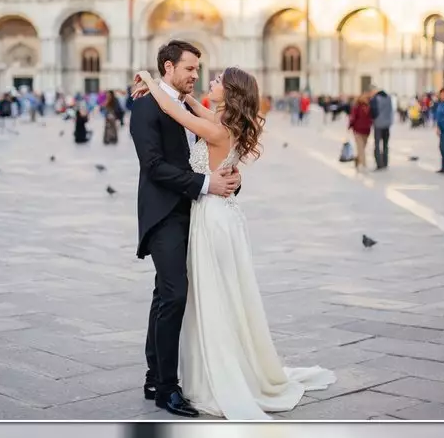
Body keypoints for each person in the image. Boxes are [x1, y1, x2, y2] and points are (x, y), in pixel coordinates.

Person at [131, 43, 335, 421]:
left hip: (206, 215)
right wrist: (213, 181)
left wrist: (151, 81)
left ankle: (170, 378)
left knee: (191, 295)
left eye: (206, 73)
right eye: (191, 69)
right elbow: (154, 165)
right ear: (169, 66)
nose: (198, 76)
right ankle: (160, 380)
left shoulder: (200, 115)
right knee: (173, 294)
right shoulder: (157, 106)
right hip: (173, 213)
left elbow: (188, 122)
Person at [369, 85, 393, 170]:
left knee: (377, 144)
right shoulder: (389, 98)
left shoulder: (375, 99)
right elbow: (391, 110)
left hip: (378, 124)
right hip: (387, 124)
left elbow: (373, 111)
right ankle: (385, 162)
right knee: (385, 144)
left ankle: (379, 164)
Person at [348, 92, 373, 172]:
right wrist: (350, 125)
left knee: (362, 147)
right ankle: (363, 164)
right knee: (360, 148)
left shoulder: (369, 107)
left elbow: (371, 117)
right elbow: (353, 117)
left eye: (366, 98)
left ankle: (357, 160)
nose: (365, 99)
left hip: (366, 130)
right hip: (357, 130)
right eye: (364, 98)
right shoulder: (356, 107)